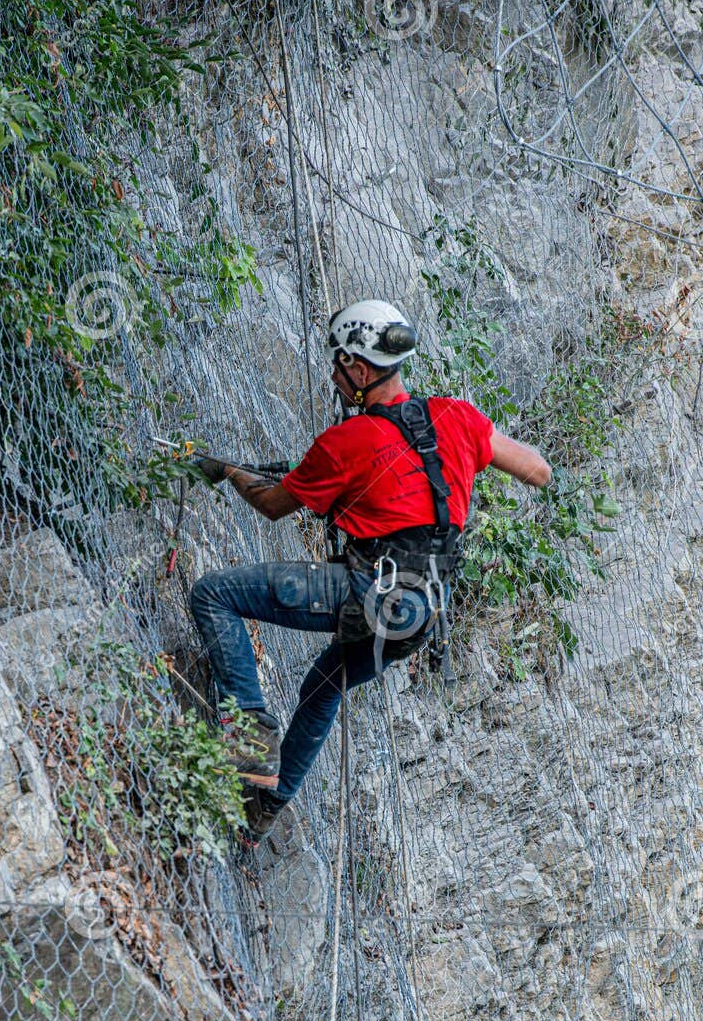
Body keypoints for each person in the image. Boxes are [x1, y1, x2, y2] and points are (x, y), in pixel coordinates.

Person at [189, 299, 551, 846]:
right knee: (324, 685)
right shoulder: (457, 417)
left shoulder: (347, 442)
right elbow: (539, 471)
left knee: (214, 595)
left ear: (359, 371)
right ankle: (266, 806)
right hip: (422, 613)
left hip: (368, 591)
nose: (333, 376)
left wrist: (227, 469)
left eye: (338, 366)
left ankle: (249, 732)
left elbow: (270, 503)